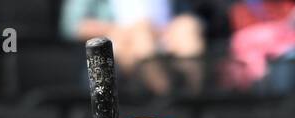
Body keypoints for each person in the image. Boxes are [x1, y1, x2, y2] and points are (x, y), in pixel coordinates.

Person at [60, 0, 205, 96]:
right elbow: (73, 26)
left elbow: (186, 16)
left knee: (188, 27)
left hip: (165, 37)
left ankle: (195, 99)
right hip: (122, 40)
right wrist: (122, 30)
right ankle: (166, 99)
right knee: (143, 37)